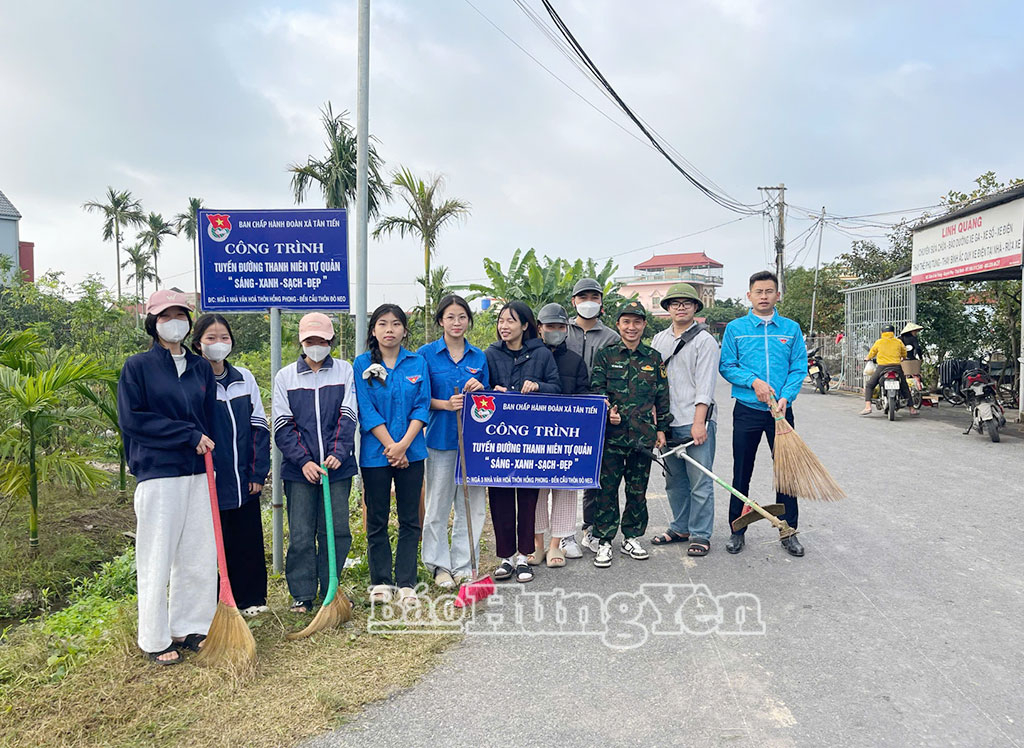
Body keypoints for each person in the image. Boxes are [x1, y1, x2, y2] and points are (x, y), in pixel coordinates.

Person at [117, 289, 216, 665]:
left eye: (180, 315)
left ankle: (191, 626)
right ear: (153, 323)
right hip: (158, 473)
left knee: (197, 554)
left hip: (198, 471)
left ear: (189, 322)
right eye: (165, 316)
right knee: (157, 556)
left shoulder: (200, 367)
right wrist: (187, 435)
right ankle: (155, 637)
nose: (174, 322)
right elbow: (133, 420)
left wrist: (208, 452)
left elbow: (209, 419)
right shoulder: (137, 367)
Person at [272, 312, 358, 613]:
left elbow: (348, 415)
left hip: (337, 468)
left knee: (336, 530)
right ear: (301, 342)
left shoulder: (344, 371)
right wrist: (304, 461)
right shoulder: (286, 377)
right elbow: (282, 425)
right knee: (300, 533)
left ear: (330, 341)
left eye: (322, 340)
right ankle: (303, 593)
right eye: (310, 340)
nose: (316, 345)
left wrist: (338, 453)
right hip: (300, 472)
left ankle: (330, 587)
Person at [719, 271, 807, 558]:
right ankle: (737, 530)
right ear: (749, 295)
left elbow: (798, 367)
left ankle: (788, 530)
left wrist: (786, 397)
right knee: (741, 471)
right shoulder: (736, 328)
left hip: (781, 412)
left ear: (777, 295)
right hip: (748, 410)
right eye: (759, 291)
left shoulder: (791, 329)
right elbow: (727, 365)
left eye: (769, 291)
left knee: (786, 473)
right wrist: (753, 382)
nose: (764, 296)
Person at [192, 314, 271, 616]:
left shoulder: (244, 378)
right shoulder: (194, 382)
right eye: (210, 338)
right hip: (210, 479)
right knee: (211, 544)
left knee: (247, 539)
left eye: (224, 337)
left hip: (244, 478)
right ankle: (217, 606)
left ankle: (251, 599)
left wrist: (257, 472)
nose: (218, 343)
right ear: (198, 344)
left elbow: (259, 427)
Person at [354, 304, 431, 607]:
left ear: (404, 330)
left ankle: (407, 582)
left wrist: (404, 445)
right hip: (376, 454)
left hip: (412, 452)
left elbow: (422, 406)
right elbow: (366, 408)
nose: (390, 330)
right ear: (373, 330)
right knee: (377, 519)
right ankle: (381, 582)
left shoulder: (417, 362)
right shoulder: (362, 364)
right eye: (383, 324)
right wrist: (392, 447)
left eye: (396, 324)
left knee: (410, 519)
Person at [590, 300, 671, 569]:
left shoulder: (654, 358)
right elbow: (596, 389)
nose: (631, 327)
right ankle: (604, 540)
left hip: (642, 437)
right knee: (607, 490)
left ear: (644, 325)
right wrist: (606, 410)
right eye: (626, 322)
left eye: (637, 322)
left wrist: (662, 429)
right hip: (611, 436)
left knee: (637, 491)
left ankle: (632, 537)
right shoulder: (606, 355)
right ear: (618, 324)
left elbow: (662, 396)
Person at [485, 301, 561, 583]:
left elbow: (557, 388)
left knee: (528, 499)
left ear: (525, 325)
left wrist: (538, 386)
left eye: (511, 321)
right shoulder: (491, 354)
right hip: (499, 439)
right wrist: (491, 390)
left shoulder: (541, 354)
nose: (504, 326)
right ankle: (506, 557)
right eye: (501, 321)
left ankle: (524, 556)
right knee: (500, 496)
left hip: (530, 440)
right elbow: (480, 389)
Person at [418, 295, 489, 590]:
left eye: (462, 317)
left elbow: (489, 403)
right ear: (440, 321)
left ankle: (464, 566)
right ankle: (439, 566)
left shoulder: (479, 357)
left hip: (473, 444)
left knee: (471, 507)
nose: (456, 322)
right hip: (440, 440)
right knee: (437, 506)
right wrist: (445, 405)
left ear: (468, 321)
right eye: (450, 317)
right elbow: (419, 398)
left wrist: (480, 390)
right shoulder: (425, 355)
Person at [650, 283, 720, 557]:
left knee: (700, 482)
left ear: (695, 307)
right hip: (668, 422)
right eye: (675, 303)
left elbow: (705, 385)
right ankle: (680, 527)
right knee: (674, 480)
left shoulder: (705, 341)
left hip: (695, 421)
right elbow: (654, 384)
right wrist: (657, 424)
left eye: (686, 303)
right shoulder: (659, 340)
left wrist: (699, 422)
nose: (680, 307)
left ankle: (700, 533)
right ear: (667, 308)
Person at [532, 303, 590, 568]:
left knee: (565, 490)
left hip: (566, 438)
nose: (555, 331)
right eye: (550, 326)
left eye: (559, 326)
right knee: (535, 491)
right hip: (534, 437)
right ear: (539, 328)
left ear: (566, 329)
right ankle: (537, 545)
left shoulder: (575, 361)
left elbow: (584, 395)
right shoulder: (530, 357)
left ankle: (557, 544)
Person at [565, 277, 620, 553]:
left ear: (601, 303)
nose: (589, 302)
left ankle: (591, 527)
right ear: (574, 301)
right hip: (564, 412)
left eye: (594, 297)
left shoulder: (611, 337)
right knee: (564, 470)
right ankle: (563, 533)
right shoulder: (561, 330)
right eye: (583, 297)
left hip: (598, 414)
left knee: (595, 471)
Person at [860, 325, 916, 415]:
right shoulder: (898, 341)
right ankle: (912, 409)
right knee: (904, 387)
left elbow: (872, 352)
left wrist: (867, 358)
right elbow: (904, 352)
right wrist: (903, 357)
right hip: (896, 367)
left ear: (882, 333)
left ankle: (868, 407)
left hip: (882, 367)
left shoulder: (879, 342)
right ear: (893, 333)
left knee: (869, 385)